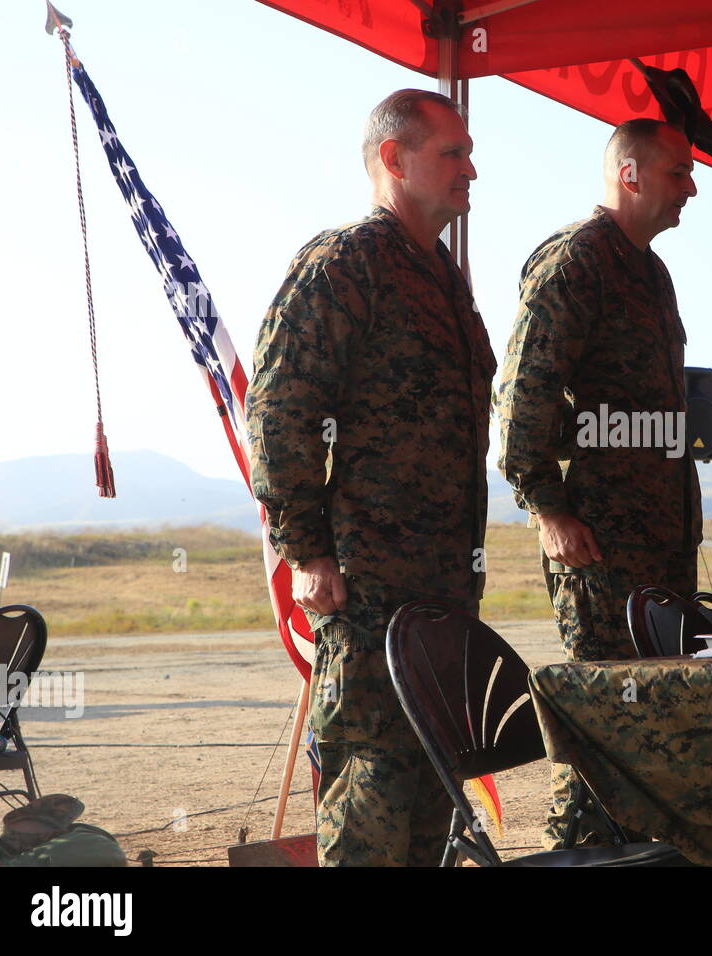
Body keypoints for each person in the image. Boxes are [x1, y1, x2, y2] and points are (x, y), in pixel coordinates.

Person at [245, 89, 494, 867]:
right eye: (453, 153)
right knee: (370, 804)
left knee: (430, 807)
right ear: (395, 158)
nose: (471, 171)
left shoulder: (444, 276)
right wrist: (307, 551)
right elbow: (279, 408)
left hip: (442, 596)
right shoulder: (345, 262)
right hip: (367, 592)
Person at [496, 118, 702, 847]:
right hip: (600, 541)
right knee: (603, 723)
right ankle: (574, 855)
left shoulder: (649, 270)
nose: (692, 187)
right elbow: (523, 392)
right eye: (678, 172)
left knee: (652, 726)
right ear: (631, 174)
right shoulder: (578, 260)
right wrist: (546, 506)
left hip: (659, 540)